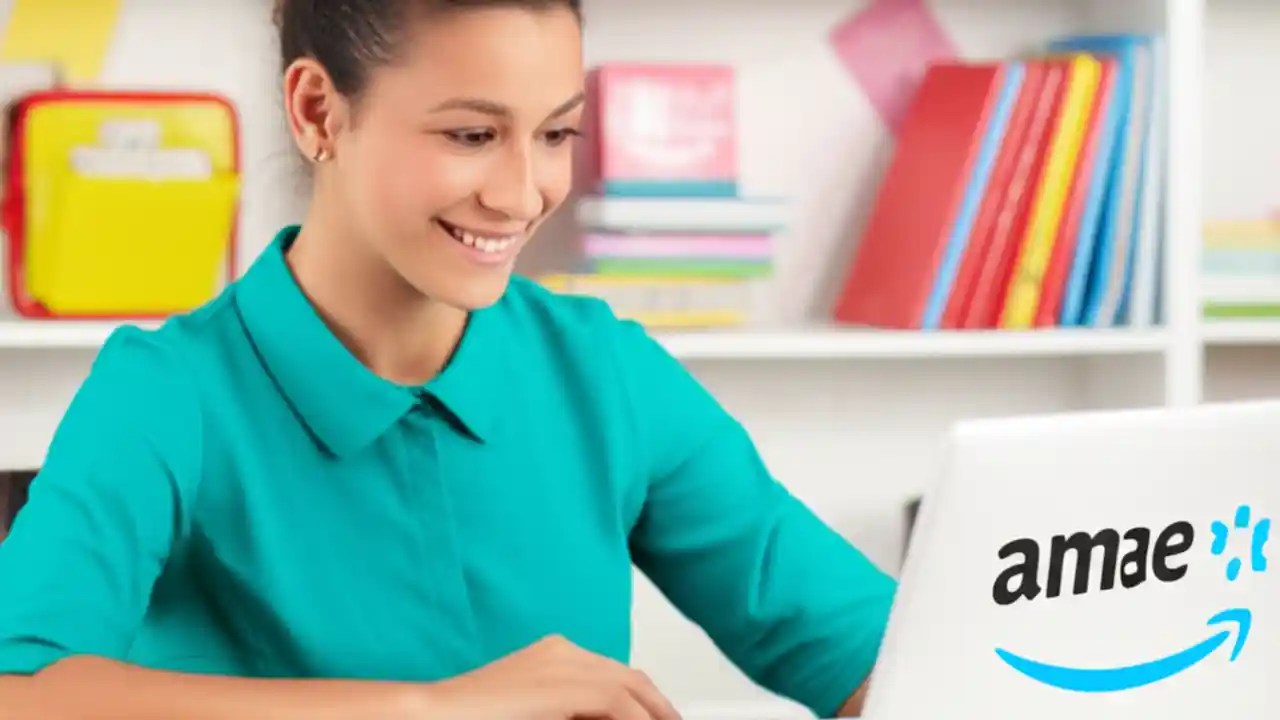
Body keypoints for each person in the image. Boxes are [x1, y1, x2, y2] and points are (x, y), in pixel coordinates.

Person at [0, 1, 898, 718]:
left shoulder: (608, 375)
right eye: (471, 135)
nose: (521, 195)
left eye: (555, 135)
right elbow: (19, 691)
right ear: (318, 110)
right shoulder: (168, 395)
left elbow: (880, 662)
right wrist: (429, 709)